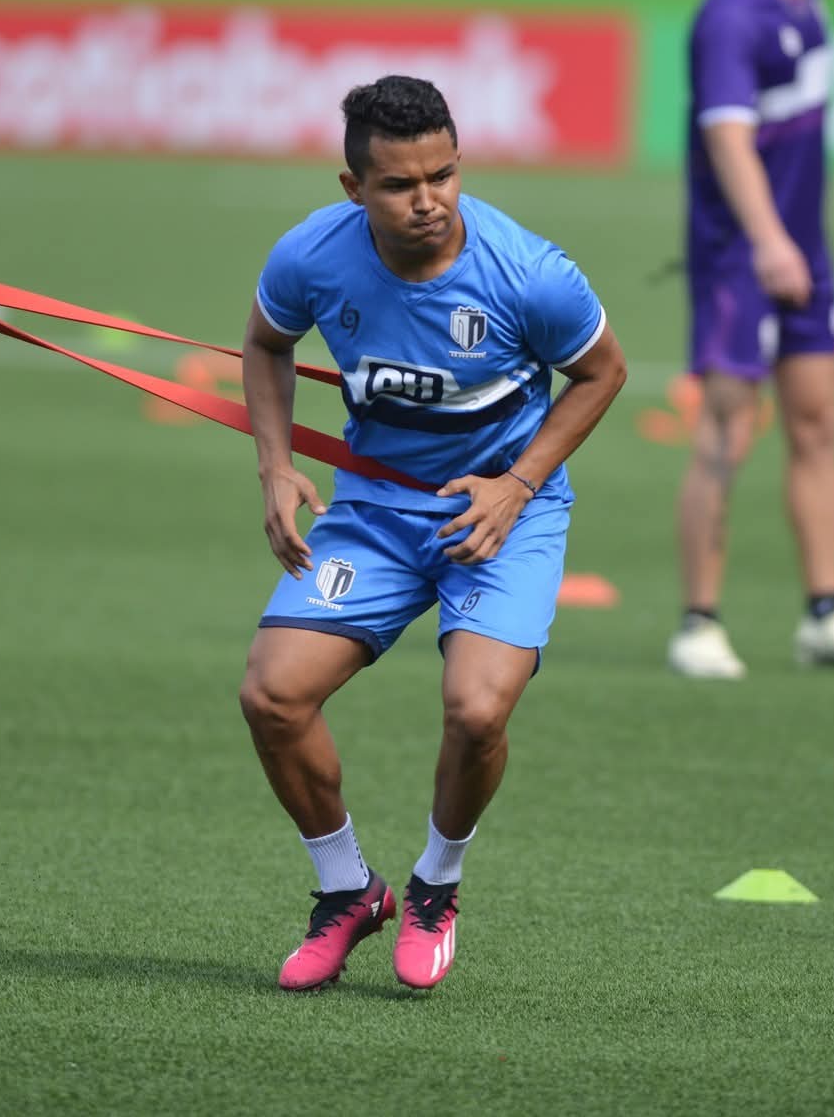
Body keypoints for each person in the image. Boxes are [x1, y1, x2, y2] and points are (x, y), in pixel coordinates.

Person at [239, 75, 626, 992]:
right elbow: (265, 343)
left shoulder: (528, 272)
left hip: (501, 513)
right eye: (399, 185)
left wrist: (515, 485)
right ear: (352, 188)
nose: (427, 201)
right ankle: (347, 892)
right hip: (371, 513)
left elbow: (602, 373)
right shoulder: (311, 255)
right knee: (272, 696)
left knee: (477, 708)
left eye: (443, 175)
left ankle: (434, 888)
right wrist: (275, 464)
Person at [667, 0, 834, 680]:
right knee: (724, 430)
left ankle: (824, 611)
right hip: (740, 260)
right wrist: (767, 241)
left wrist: (798, 248)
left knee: (818, 421)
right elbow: (725, 136)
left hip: (802, 257)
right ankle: (697, 624)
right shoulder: (733, 15)